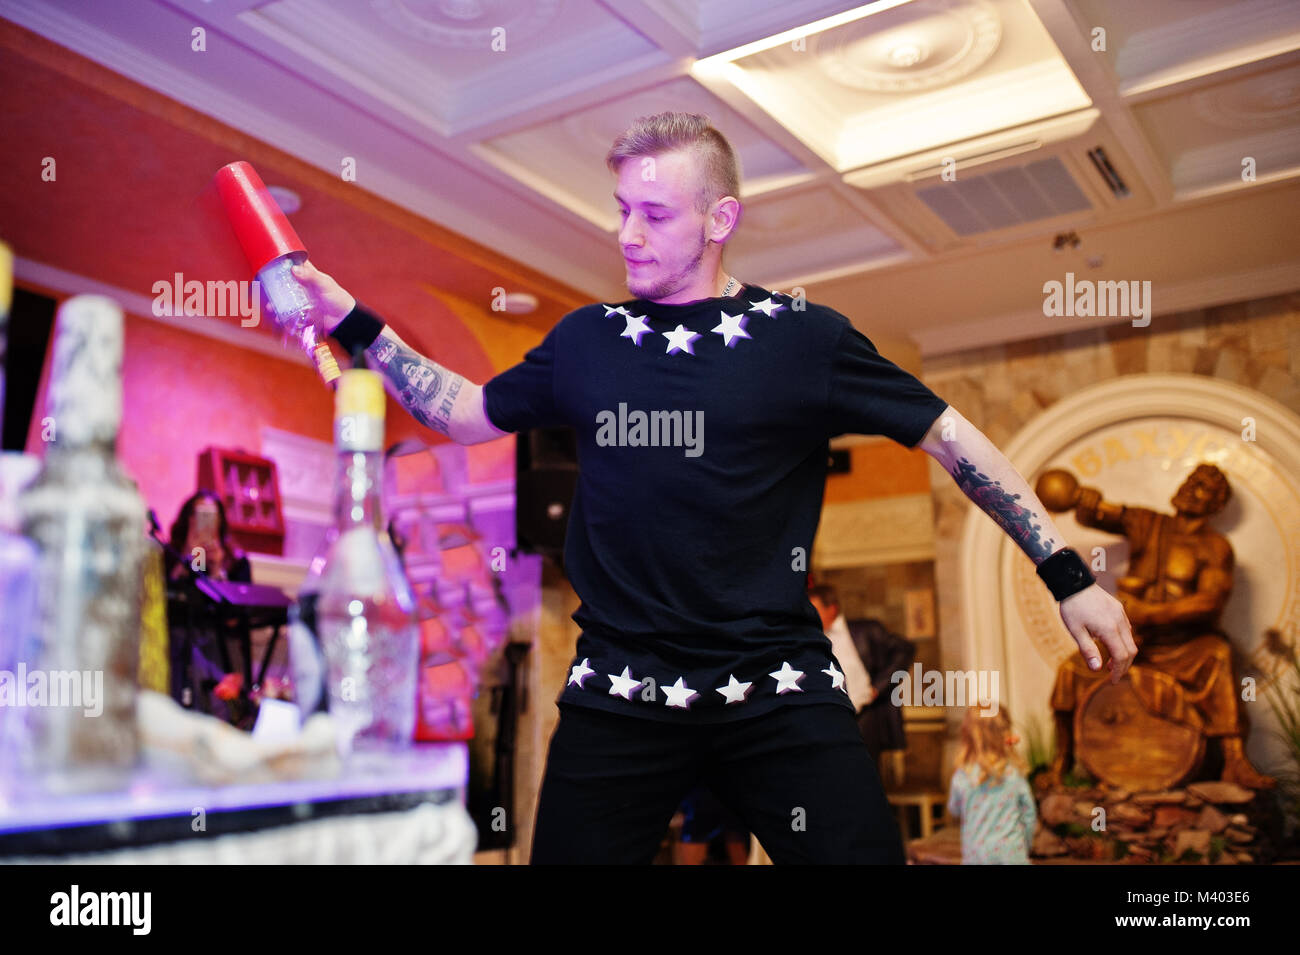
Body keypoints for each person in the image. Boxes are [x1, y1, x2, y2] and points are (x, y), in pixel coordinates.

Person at [279, 111, 1136, 864]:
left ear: (721, 217)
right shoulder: (586, 341)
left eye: (654, 214)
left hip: (778, 686)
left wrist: (1064, 572)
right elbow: (465, 411)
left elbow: (949, 437)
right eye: (621, 209)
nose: (627, 234)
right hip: (619, 690)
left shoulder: (804, 340)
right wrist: (351, 318)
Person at [808, 583, 915, 764]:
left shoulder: (867, 630)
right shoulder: (812, 639)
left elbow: (904, 649)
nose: (810, 615)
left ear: (832, 609)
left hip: (864, 718)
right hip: (829, 721)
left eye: (814, 609)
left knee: (867, 774)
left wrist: (877, 687)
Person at [947, 707, 1038, 864]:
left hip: (976, 857)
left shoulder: (963, 776)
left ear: (967, 735)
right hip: (1012, 855)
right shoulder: (1014, 773)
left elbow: (954, 809)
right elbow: (1029, 813)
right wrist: (1026, 844)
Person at [166, 490, 251, 583]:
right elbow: (170, 591)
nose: (206, 522)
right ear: (189, 518)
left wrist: (216, 570)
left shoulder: (237, 561)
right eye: (200, 514)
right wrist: (188, 558)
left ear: (220, 520)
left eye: (211, 515)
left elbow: (240, 596)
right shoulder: (170, 553)